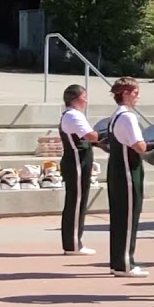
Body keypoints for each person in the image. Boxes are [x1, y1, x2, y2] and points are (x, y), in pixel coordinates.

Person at [107, 78, 154, 277]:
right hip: (128, 170)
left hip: (118, 169)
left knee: (121, 217)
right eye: (135, 93)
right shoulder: (128, 117)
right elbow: (139, 146)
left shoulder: (116, 115)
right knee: (129, 216)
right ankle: (125, 264)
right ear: (126, 94)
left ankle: (118, 261)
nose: (138, 97)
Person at [58, 85, 100, 256]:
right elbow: (91, 136)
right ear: (75, 99)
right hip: (76, 162)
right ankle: (73, 244)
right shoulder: (74, 116)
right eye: (84, 97)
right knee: (76, 202)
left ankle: (73, 242)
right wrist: (103, 135)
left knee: (76, 201)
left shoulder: (71, 115)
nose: (86, 100)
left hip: (78, 162)